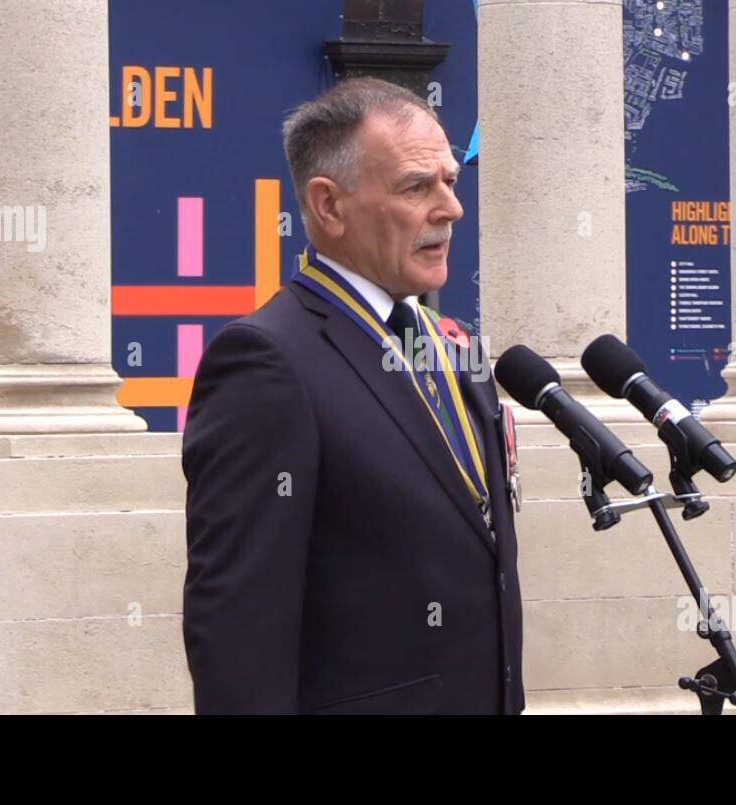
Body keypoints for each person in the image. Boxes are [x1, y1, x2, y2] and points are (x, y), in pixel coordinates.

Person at [182, 77, 524, 714]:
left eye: (451, 181)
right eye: (417, 187)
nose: (451, 209)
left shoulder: (452, 346)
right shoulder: (266, 362)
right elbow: (238, 621)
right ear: (329, 206)